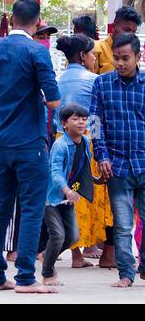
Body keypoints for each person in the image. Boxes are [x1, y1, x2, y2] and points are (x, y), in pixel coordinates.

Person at [0, 0, 61, 293]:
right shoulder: (37, 52)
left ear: (11, 19)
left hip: (2, 142)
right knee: (31, 207)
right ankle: (25, 276)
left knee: (0, 208)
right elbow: (54, 100)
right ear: (38, 23)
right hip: (31, 143)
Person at [89, 32, 145, 288]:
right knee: (122, 225)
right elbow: (95, 122)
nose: (120, 63)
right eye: (116, 58)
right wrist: (101, 155)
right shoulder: (102, 84)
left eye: (125, 58)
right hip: (117, 166)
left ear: (138, 56)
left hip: (143, 163)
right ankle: (126, 273)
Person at [55, 33, 113, 267]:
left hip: (61, 140)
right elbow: (97, 117)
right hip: (86, 141)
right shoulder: (93, 80)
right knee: (90, 197)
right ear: (82, 55)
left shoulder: (58, 81)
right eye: (91, 54)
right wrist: (100, 147)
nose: (93, 57)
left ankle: (76, 254)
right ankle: (89, 247)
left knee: (69, 195)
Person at [41, 104, 93, 285]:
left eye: (84, 119)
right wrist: (66, 190)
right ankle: (47, 273)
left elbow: (81, 167)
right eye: (75, 119)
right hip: (51, 198)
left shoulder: (85, 141)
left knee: (72, 237)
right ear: (64, 124)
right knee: (57, 235)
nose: (81, 123)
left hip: (67, 197)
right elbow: (55, 172)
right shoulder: (60, 145)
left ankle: (47, 255)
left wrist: (94, 180)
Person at [92, 7, 141, 75]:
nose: (131, 35)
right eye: (127, 30)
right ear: (114, 27)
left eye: (134, 31)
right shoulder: (97, 48)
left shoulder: (134, 51)